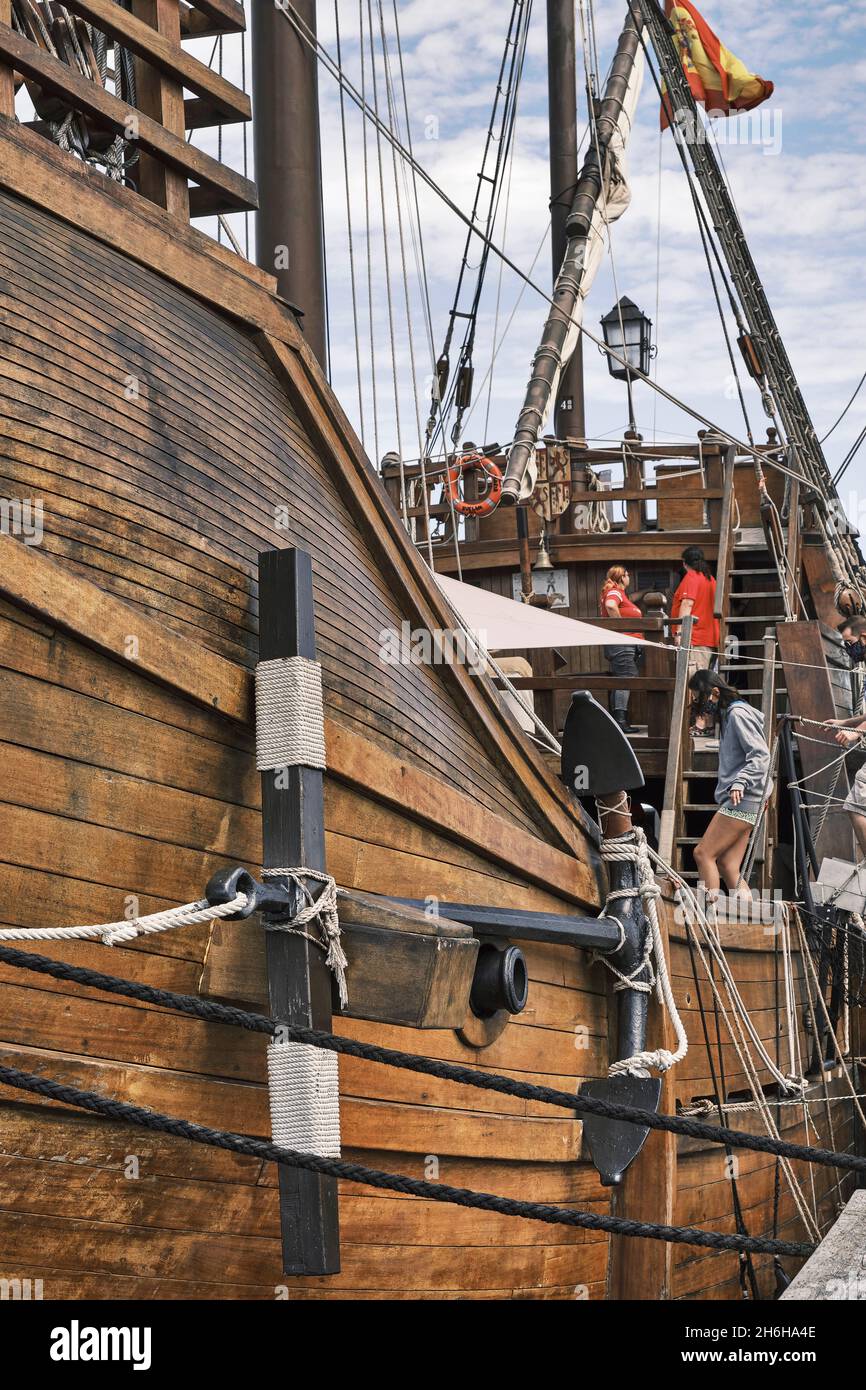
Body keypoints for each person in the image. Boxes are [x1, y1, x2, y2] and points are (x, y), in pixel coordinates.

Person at [688, 670, 773, 905]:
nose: (700, 704)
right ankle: (748, 914)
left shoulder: (737, 714)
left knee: (703, 854)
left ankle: (710, 917)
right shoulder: (729, 714)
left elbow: (760, 755)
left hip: (744, 797)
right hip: (751, 799)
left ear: (715, 692)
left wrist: (741, 780)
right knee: (728, 865)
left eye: (700, 697)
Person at [600, 565, 643, 735]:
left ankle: (617, 721)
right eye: (627, 574)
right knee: (625, 679)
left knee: (622, 679)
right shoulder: (615, 592)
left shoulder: (621, 594)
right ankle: (620, 722)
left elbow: (626, 601)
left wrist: (646, 591)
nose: (629, 577)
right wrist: (622, 630)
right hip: (621, 644)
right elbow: (611, 605)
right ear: (621, 578)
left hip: (623, 645)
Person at [672, 546, 720, 677]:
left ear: (684, 563)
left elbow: (687, 603)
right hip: (710, 637)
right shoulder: (710, 579)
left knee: (694, 679)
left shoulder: (692, 577)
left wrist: (679, 633)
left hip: (695, 637)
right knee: (704, 679)